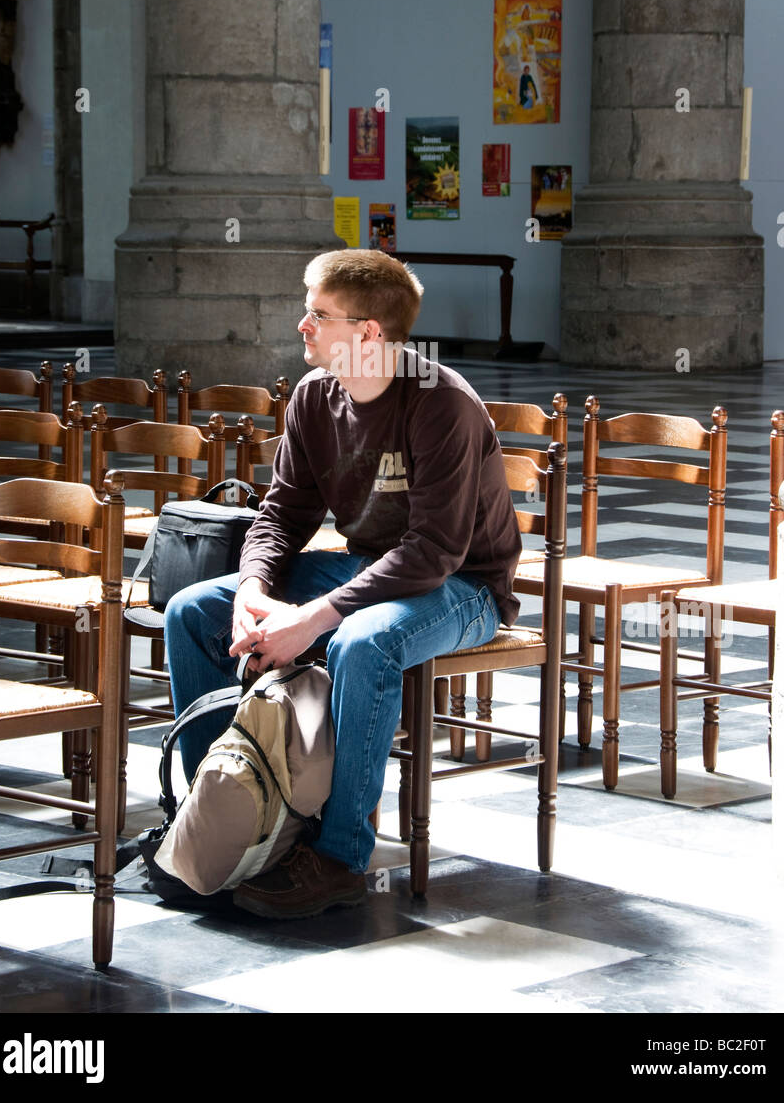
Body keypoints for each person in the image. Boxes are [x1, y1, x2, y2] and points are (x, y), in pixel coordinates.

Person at [164, 249, 521, 919]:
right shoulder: (313, 396)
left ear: (368, 335)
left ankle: (339, 856)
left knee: (361, 642)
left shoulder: (441, 403)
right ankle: (216, 823)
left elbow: (433, 552)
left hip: (464, 585)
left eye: (318, 314)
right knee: (192, 610)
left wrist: (312, 618)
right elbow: (281, 515)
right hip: (366, 568)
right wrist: (252, 590)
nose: (302, 324)